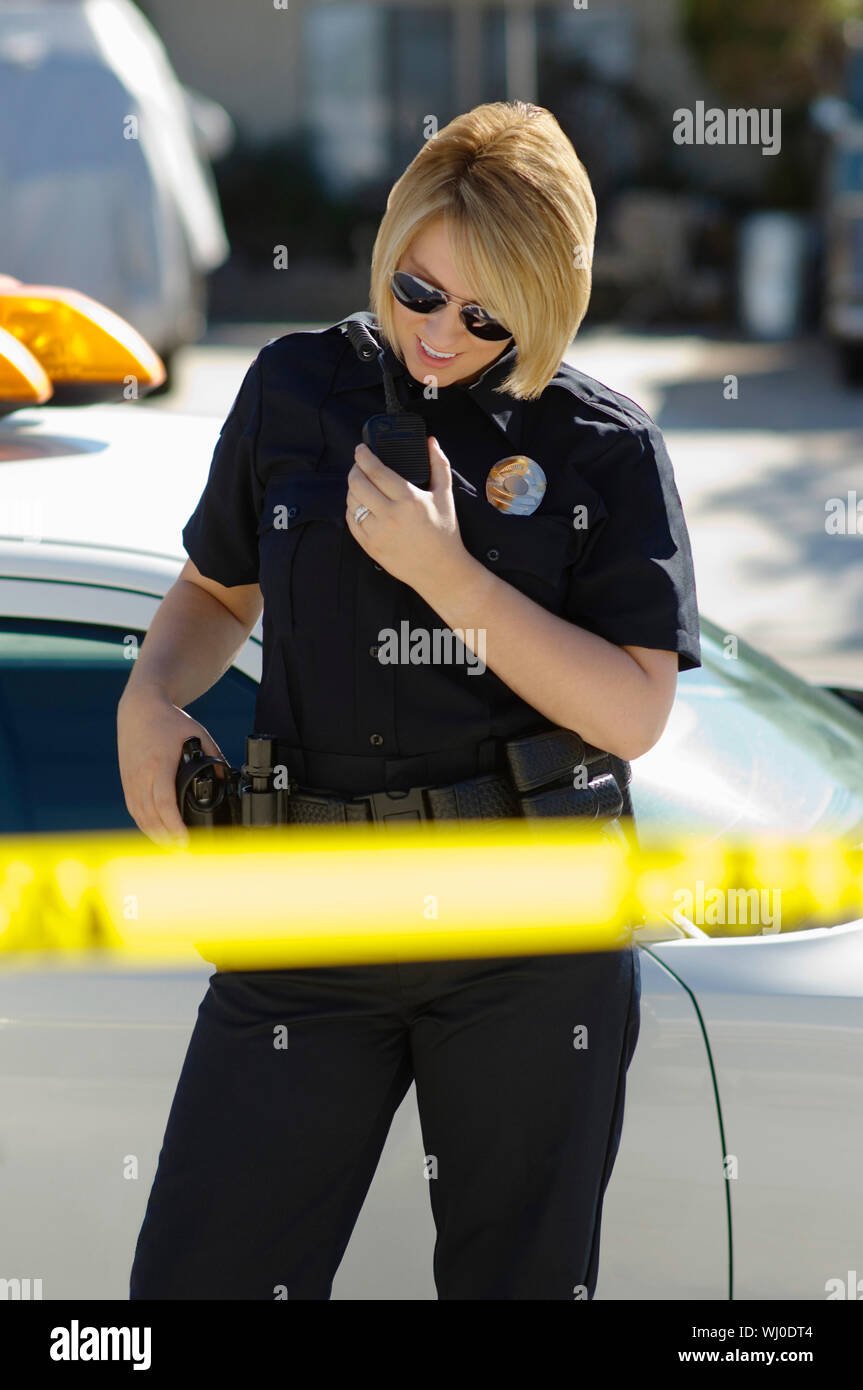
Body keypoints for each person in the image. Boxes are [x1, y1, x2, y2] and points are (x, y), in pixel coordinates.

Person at [119, 100, 701, 1301]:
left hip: (526, 937)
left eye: (488, 315)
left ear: (548, 302)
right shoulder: (294, 388)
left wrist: (449, 574)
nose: (441, 333)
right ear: (390, 246)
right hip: (308, 912)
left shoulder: (603, 448)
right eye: (419, 290)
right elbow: (212, 591)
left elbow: (634, 713)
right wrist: (149, 693)